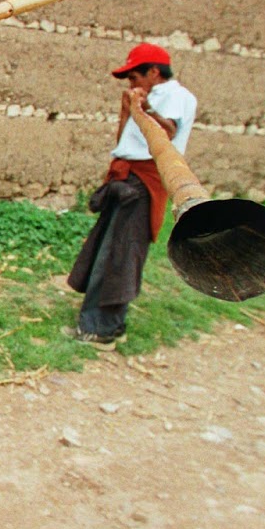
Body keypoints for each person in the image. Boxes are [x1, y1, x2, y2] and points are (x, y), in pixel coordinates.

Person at [66, 42, 197, 348]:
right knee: (107, 251)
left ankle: (103, 329)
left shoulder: (176, 96)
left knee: (121, 254)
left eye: (135, 77)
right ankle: (101, 323)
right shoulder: (146, 95)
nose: (132, 85)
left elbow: (167, 133)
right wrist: (127, 109)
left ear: (154, 72)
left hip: (144, 183)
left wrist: (144, 107)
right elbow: (124, 140)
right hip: (127, 177)